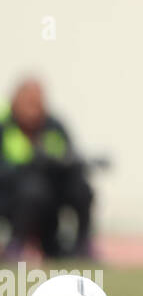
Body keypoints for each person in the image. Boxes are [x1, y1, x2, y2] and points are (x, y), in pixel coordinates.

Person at [0, 78, 96, 259]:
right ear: (15, 102)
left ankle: (83, 244)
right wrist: (28, 165)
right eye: (28, 103)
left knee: (81, 188)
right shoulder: (4, 127)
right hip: (13, 196)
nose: (33, 110)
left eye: (38, 103)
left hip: (50, 195)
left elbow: (69, 154)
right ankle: (17, 244)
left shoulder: (54, 126)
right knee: (32, 190)